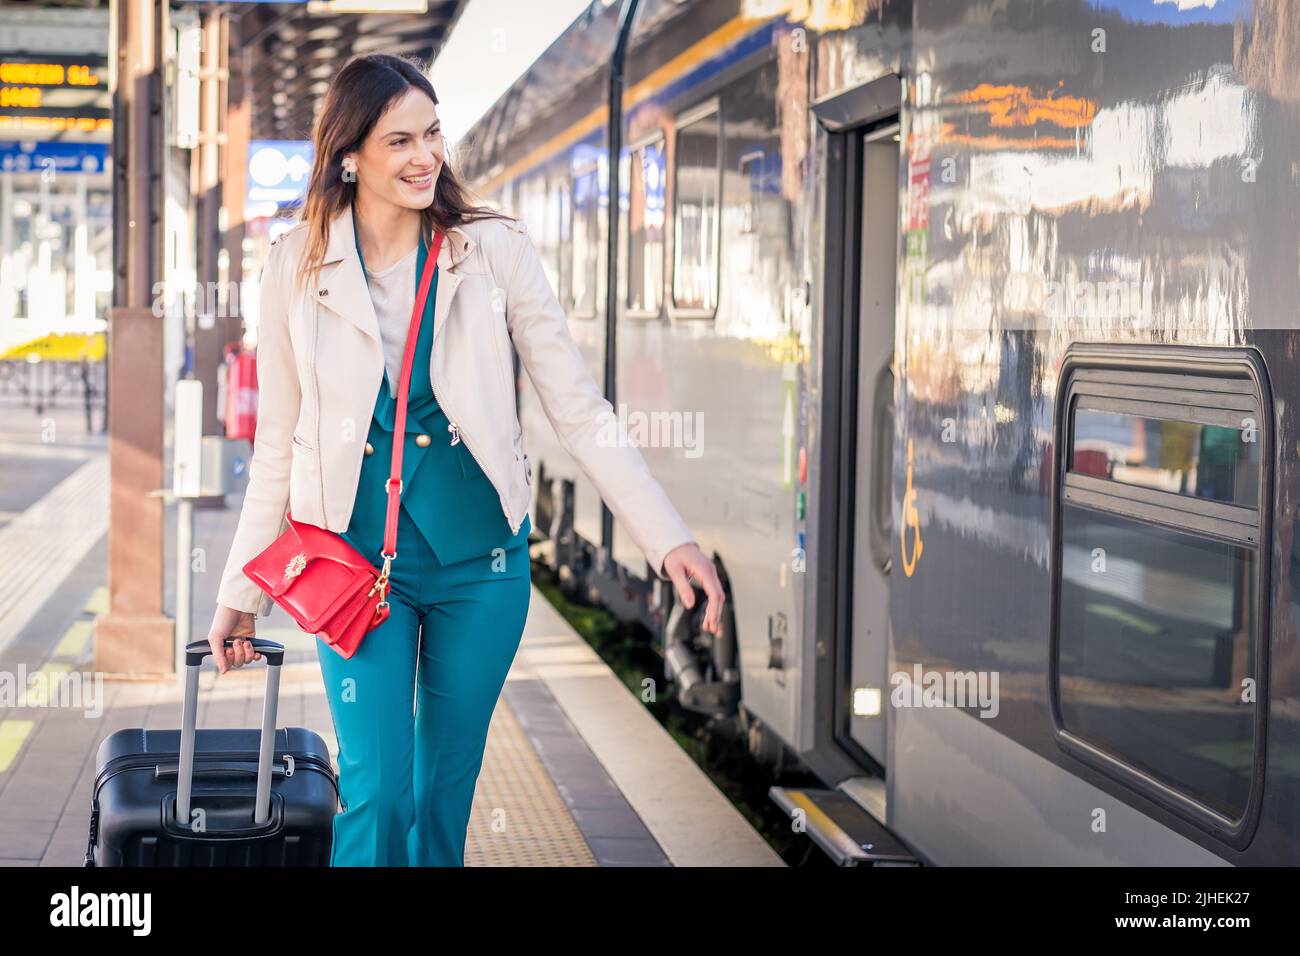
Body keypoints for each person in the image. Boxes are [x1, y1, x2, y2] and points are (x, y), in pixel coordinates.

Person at [206, 53, 724, 866]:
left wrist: (669, 540)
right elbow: (280, 441)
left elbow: (579, 411)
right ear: (350, 155)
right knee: (377, 788)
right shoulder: (293, 266)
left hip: (480, 567)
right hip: (348, 569)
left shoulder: (492, 252)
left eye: (433, 134)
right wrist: (240, 592)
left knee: (443, 798)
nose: (425, 157)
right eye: (399, 140)